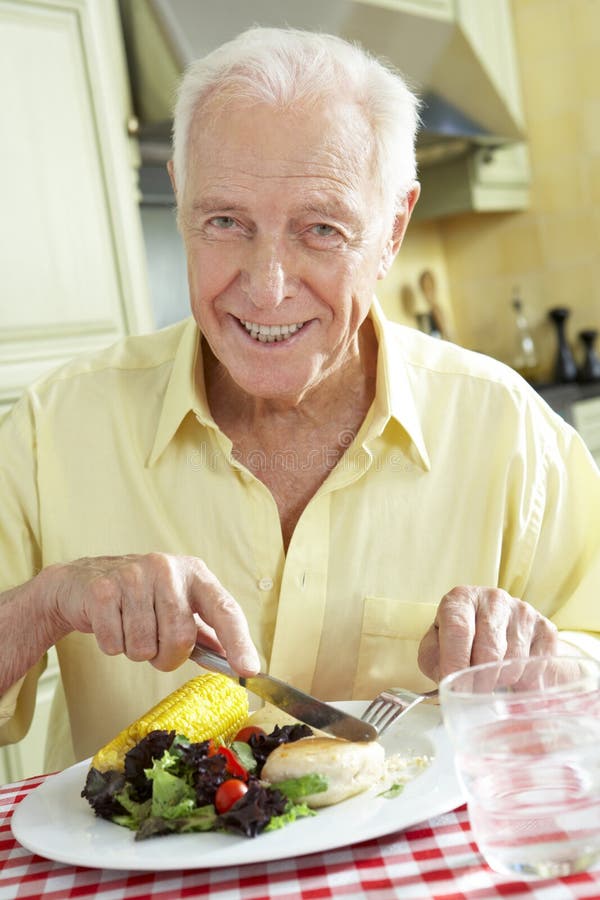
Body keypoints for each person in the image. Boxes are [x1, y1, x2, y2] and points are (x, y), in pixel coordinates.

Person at [1, 27, 599, 774]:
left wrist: (546, 664)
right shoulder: (53, 426)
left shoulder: (506, 430)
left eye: (321, 230)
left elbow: (590, 661)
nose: (268, 287)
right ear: (182, 197)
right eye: (226, 222)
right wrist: (49, 601)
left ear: (392, 230)